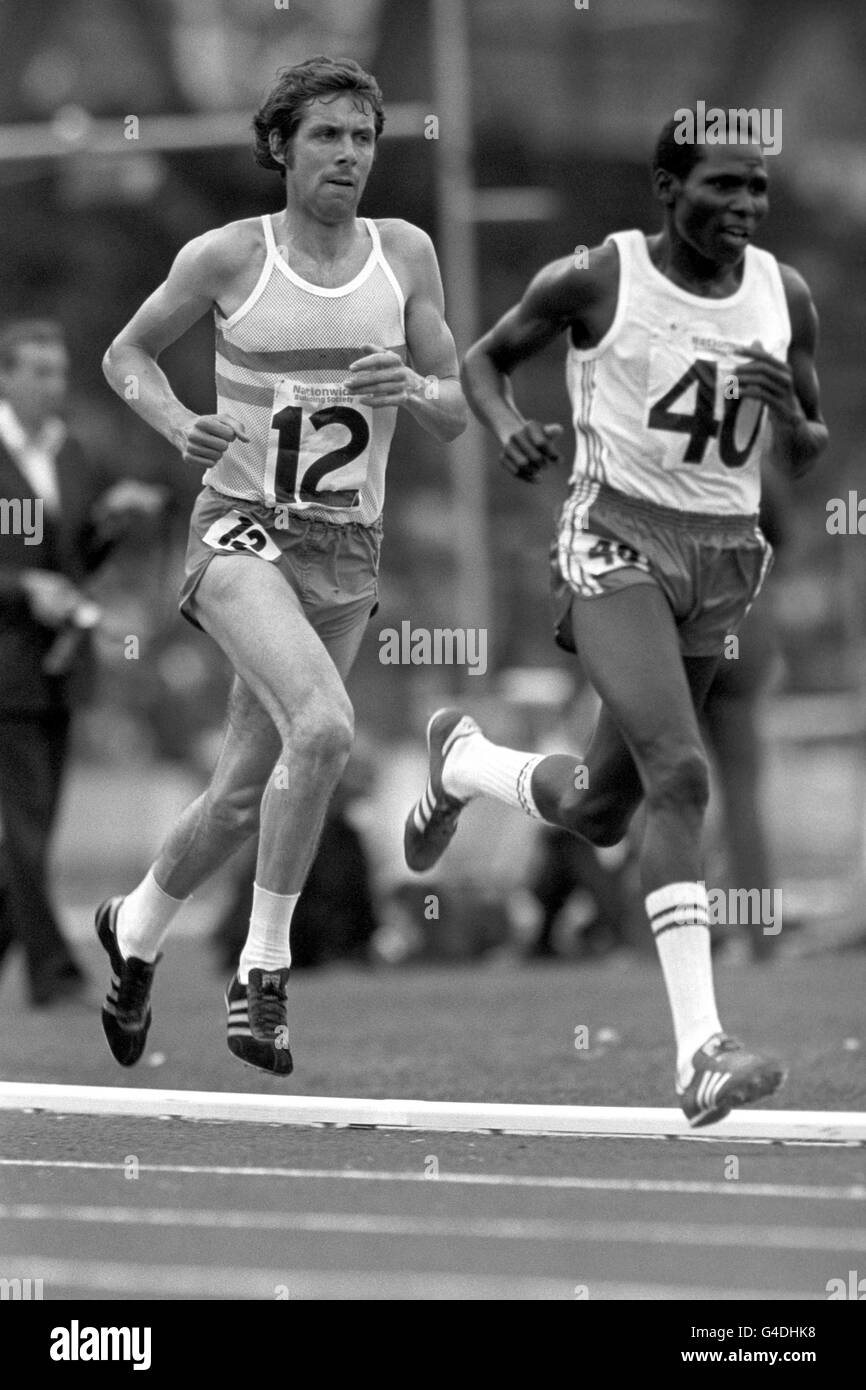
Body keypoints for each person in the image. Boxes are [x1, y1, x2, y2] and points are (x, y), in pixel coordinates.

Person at [405, 113, 828, 1126]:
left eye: (756, 189)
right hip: (614, 542)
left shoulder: (784, 293)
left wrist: (790, 417)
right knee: (681, 774)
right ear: (665, 189)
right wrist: (506, 426)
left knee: (602, 806)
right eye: (721, 186)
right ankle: (698, 1052)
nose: (742, 207)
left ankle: (462, 762)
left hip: (721, 559)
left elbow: (807, 446)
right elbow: (482, 359)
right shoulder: (597, 278)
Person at [99, 56, 465, 1074]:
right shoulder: (228, 257)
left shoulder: (406, 255)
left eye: (362, 137)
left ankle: (131, 932)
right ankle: (263, 976)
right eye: (326, 137)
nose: (348, 156)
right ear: (279, 147)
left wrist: (416, 386)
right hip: (241, 532)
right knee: (328, 726)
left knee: (235, 797)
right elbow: (124, 355)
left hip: (345, 554)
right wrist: (177, 422)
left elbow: (452, 407)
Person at [0, 318, 160, 1006]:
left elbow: (77, 561)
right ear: (5, 377)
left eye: (59, 371)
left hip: (57, 665)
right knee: (25, 825)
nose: (51, 384)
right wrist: (19, 587)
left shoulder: (73, 455)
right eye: (37, 370)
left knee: (35, 824)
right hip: (4, 662)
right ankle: (54, 973)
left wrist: (111, 525)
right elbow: (25, 568)